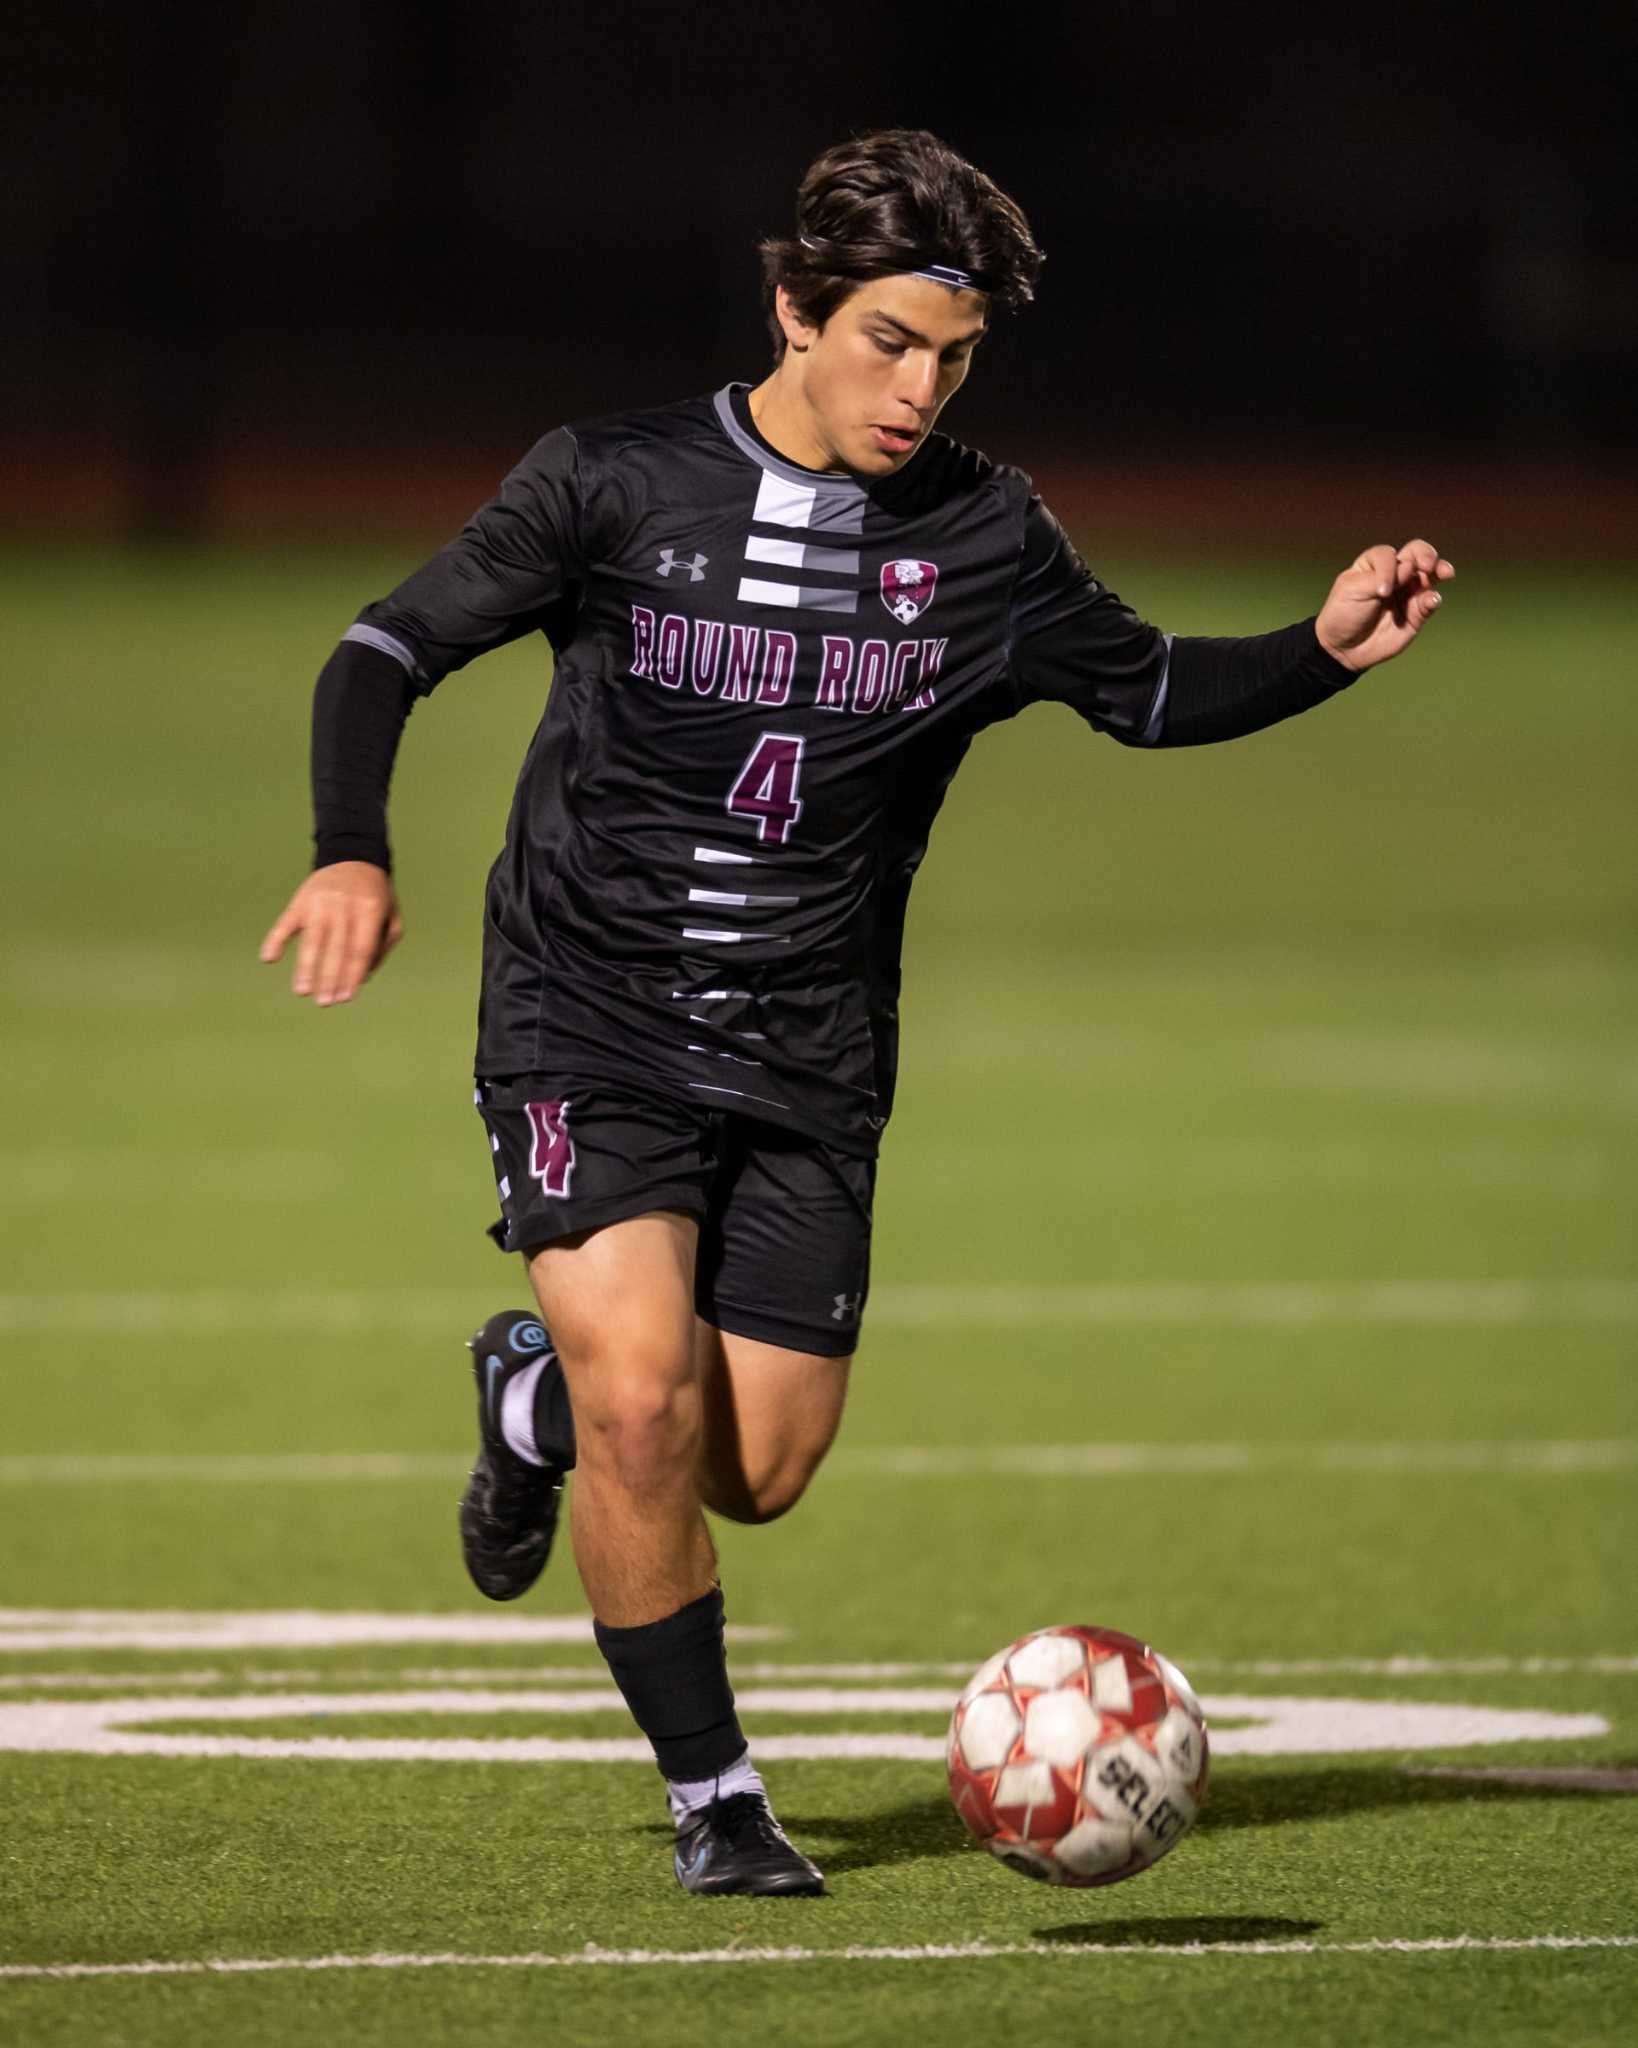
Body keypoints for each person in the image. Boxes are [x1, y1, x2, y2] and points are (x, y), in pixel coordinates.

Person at [260, 128, 1453, 1898]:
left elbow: (1144, 692)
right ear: (793, 308)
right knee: (648, 1407)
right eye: (888, 341)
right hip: (584, 1008)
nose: (919, 389)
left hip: (810, 1048)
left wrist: (1322, 646)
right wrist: (349, 852)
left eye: (952, 358)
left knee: (757, 1469)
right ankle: (717, 1800)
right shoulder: (612, 482)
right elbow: (383, 649)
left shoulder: (983, 534)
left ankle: (527, 1410)